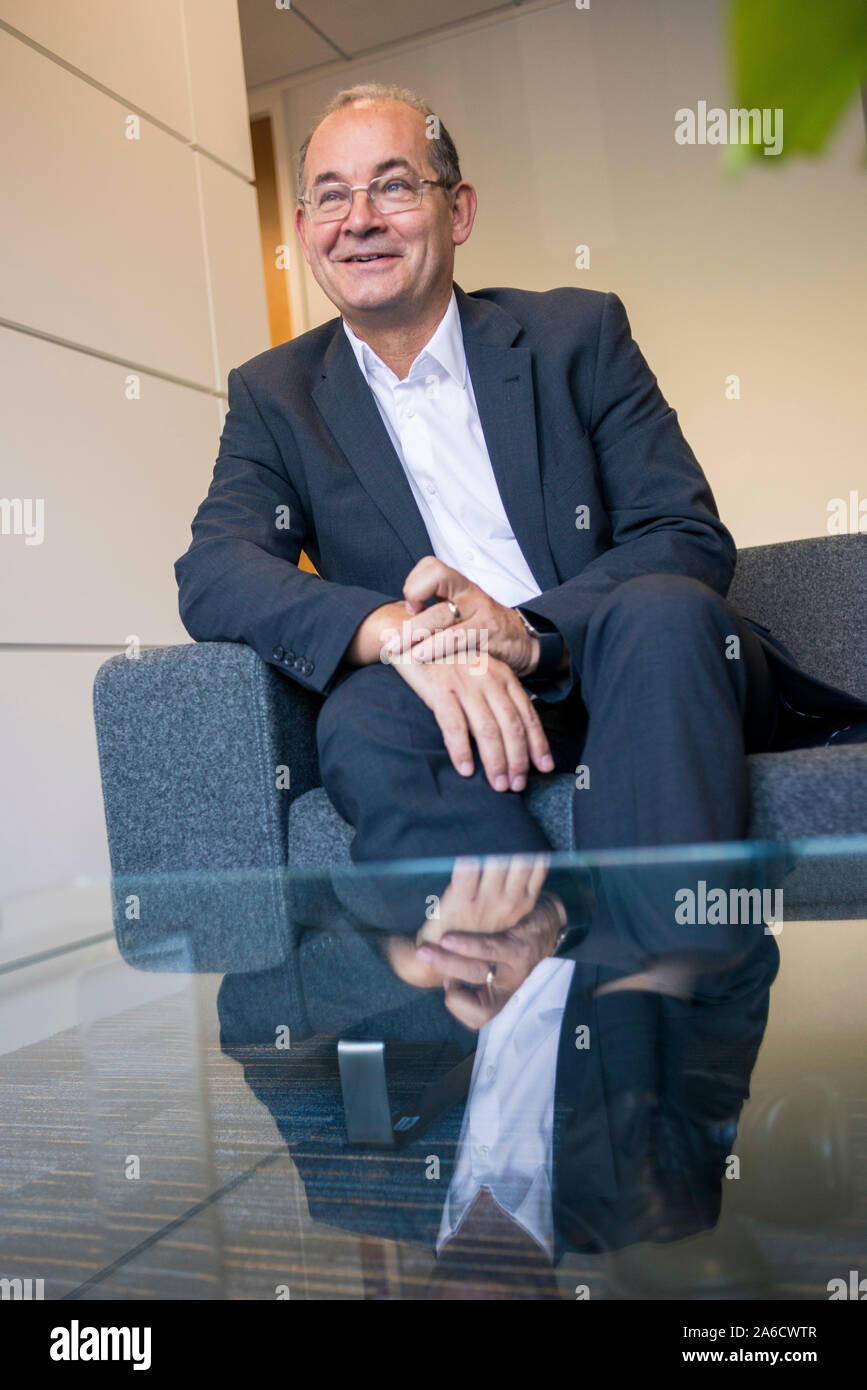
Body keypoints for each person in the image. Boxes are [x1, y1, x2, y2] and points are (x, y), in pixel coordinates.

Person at [175, 83, 867, 987]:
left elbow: (683, 533)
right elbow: (215, 569)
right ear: (304, 229)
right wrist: (389, 631)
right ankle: (514, 962)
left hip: (636, 663)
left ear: (455, 210)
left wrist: (527, 635)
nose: (358, 220)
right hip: (456, 699)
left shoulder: (576, 333)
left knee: (661, 611)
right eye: (331, 196)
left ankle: (660, 995)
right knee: (360, 715)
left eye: (393, 186)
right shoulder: (276, 394)